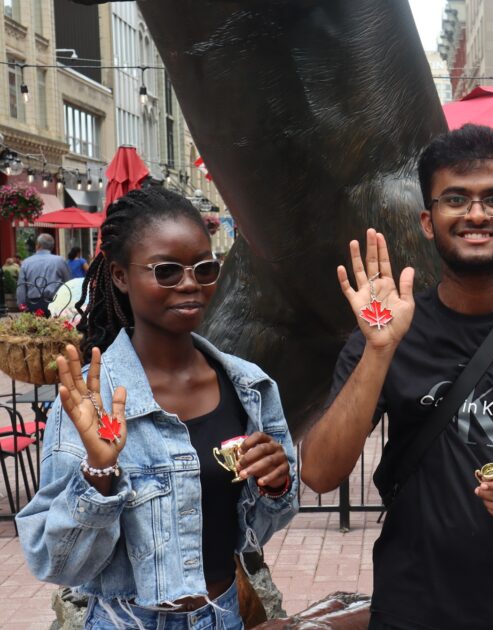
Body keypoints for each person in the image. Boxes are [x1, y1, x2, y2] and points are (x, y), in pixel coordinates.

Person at [301, 124, 493, 630]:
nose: (476, 214)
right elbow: (318, 473)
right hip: (412, 608)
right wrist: (379, 351)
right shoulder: (387, 331)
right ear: (429, 221)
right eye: (456, 199)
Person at [16, 187, 299, 630]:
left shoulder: (249, 386)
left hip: (225, 616)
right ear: (121, 276)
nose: (190, 283)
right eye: (166, 271)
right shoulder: (93, 402)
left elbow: (258, 529)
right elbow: (56, 562)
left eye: (204, 268)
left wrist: (277, 484)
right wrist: (99, 476)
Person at [16, 233, 71, 314]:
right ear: (52, 247)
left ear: (37, 245)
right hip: (55, 303)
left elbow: (21, 286)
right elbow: (68, 283)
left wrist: (21, 304)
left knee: (34, 326)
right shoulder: (60, 261)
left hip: (32, 304)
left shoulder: (26, 262)